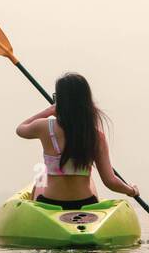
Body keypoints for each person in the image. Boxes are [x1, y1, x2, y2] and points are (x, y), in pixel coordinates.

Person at [15, 72, 139, 208]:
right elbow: (110, 181)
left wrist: (49, 111)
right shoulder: (95, 136)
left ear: (60, 101)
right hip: (85, 204)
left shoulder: (44, 127)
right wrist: (131, 190)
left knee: (40, 177)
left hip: (50, 203)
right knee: (90, 180)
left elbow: (20, 129)